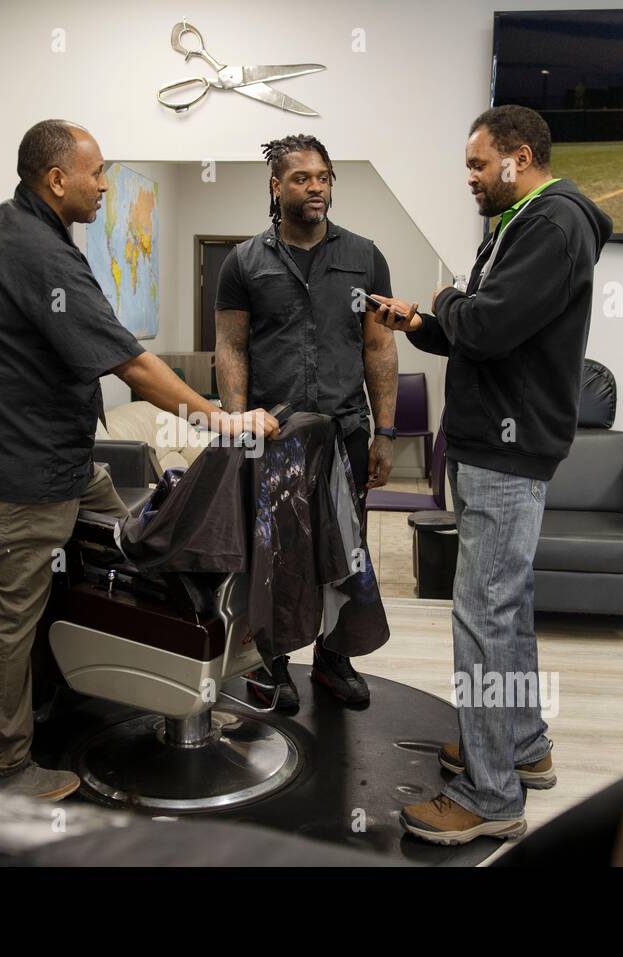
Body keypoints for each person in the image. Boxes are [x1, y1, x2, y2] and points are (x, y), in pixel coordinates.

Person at [0, 119, 279, 801]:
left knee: (126, 547)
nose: (106, 184)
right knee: (13, 611)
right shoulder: (39, 253)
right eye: (98, 173)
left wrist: (12, 342)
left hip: (59, 456)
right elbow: (136, 366)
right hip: (25, 461)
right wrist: (221, 419)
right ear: (57, 179)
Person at [373, 105, 613, 844]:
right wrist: (421, 320)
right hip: (494, 444)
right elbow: (477, 331)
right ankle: (520, 744)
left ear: (518, 156)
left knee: (481, 618)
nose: (471, 179)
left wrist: (448, 301)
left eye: (479, 165)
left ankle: (489, 794)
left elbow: (486, 325)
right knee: (506, 610)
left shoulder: (552, 223)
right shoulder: (521, 223)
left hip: (506, 452)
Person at [214, 134, 399, 712]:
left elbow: (379, 348)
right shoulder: (244, 262)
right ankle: (272, 664)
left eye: (323, 177)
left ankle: (333, 661)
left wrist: (386, 432)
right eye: (302, 177)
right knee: (276, 553)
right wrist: (238, 417)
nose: (315, 186)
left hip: (345, 432)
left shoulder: (365, 258)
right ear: (277, 186)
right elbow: (230, 345)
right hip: (276, 435)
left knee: (346, 550)